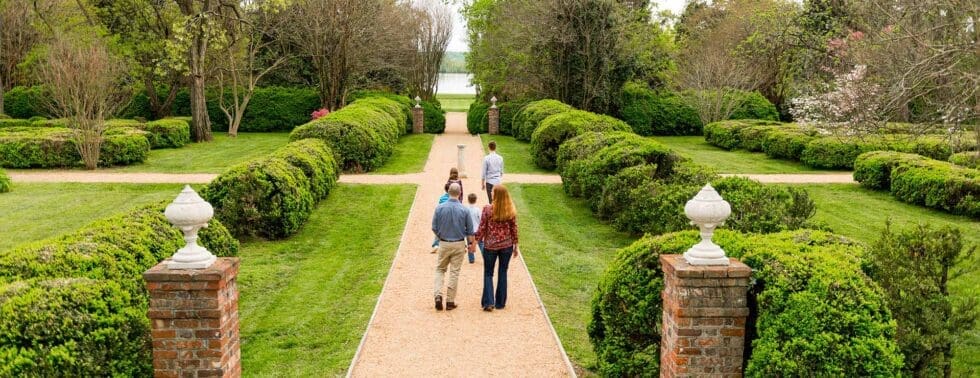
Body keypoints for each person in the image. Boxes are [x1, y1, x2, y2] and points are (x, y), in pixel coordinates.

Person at [431, 183, 477, 311]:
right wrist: (471, 245)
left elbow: (434, 227)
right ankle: (450, 301)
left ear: (448, 192)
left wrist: (440, 236)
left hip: (444, 242)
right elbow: (470, 231)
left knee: (440, 269)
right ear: (460, 193)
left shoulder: (439, 208)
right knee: (454, 272)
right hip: (458, 243)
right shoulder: (464, 210)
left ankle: (438, 295)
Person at [475, 185, 519, 312]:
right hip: (506, 246)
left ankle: (489, 302)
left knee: (488, 273)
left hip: (490, 246)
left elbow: (482, 227)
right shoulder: (510, 210)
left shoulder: (487, 209)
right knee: (503, 272)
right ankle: (500, 302)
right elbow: (514, 229)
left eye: (493, 192)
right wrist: (516, 245)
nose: (491, 193)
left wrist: (475, 241)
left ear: (496, 195)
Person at [430, 183, 452, 254]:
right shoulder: (454, 198)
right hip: (451, 216)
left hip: (442, 216)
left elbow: (439, 207)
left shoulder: (442, 198)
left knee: (439, 231)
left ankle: (436, 245)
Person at [465, 193, 483, 264]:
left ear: (468, 200)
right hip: (477, 230)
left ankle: (471, 259)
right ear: (475, 200)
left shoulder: (466, 209)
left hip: (469, 231)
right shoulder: (477, 210)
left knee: (469, 243)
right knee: (481, 244)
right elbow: (481, 220)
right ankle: (485, 257)